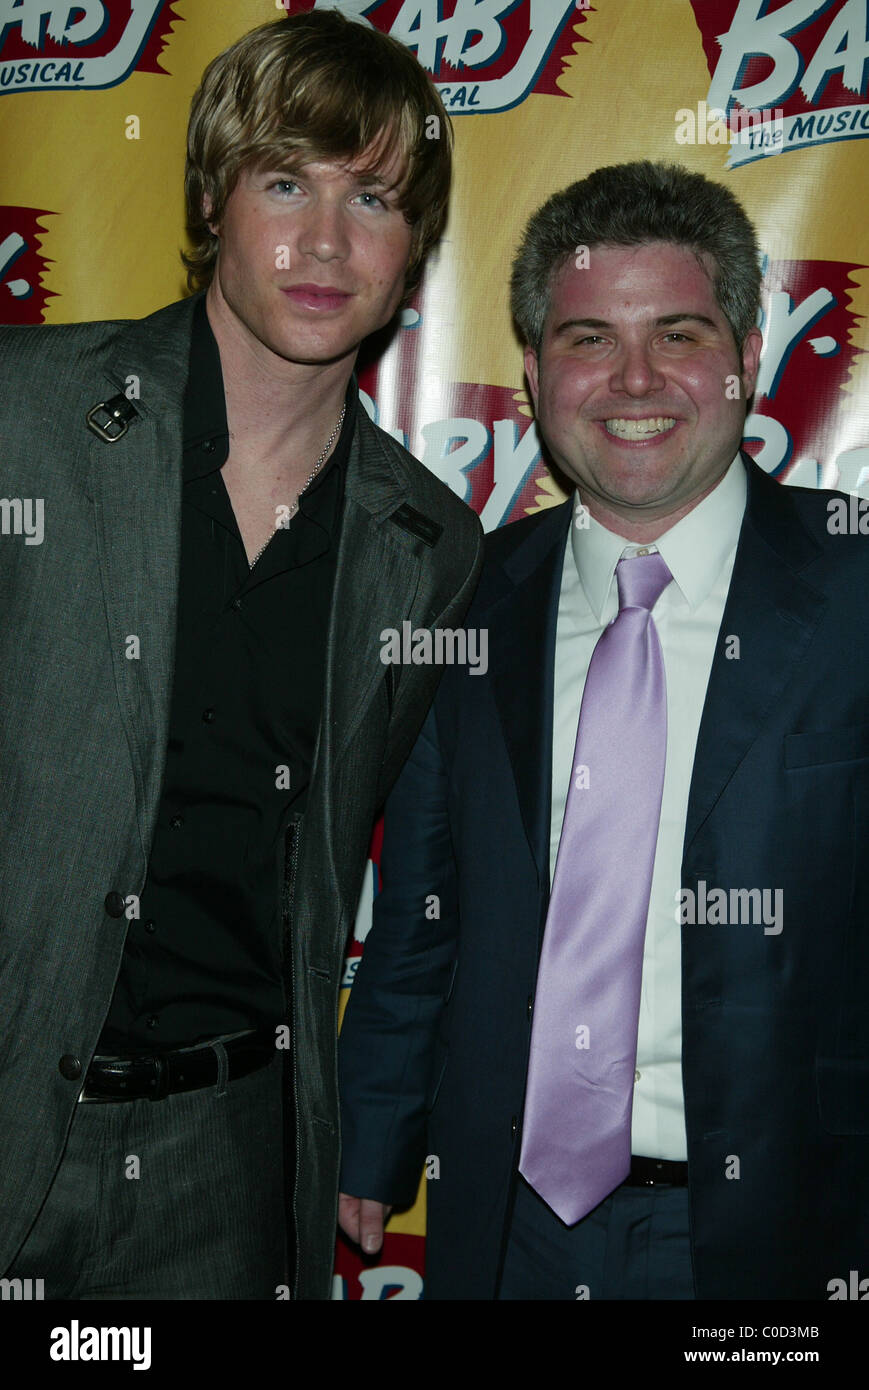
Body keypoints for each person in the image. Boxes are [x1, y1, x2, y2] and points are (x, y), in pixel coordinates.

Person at [0, 10, 482, 1301]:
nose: (325, 241)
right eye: (286, 182)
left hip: (225, 1161)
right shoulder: (24, 417)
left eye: (372, 195)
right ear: (214, 196)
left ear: (414, 241)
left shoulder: (429, 540)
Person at [337, 160, 869, 1299]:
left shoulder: (855, 586)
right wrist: (372, 1135)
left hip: (795, 1229)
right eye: (586, 339)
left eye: (676, 333)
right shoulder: (463, 599)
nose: (634, 379)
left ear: (743, 357)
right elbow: (421, 916)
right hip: (512, 1230)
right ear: (530, 372)